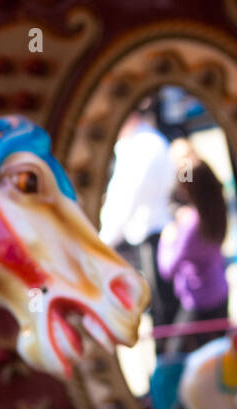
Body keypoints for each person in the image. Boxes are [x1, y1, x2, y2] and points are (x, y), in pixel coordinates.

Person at [98, 101, 179, 330]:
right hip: (153, 239)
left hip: (151, 243)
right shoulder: (151, 140)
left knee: (162, 318)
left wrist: (100, 245)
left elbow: (123, 203)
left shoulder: (140, 147)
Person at [157, 156, 229, 356]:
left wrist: (168, 238)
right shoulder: (217, 212)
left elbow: (168, 269)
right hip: (220, 292)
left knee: (175, 355)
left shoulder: (191, 225)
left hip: (199, 303)